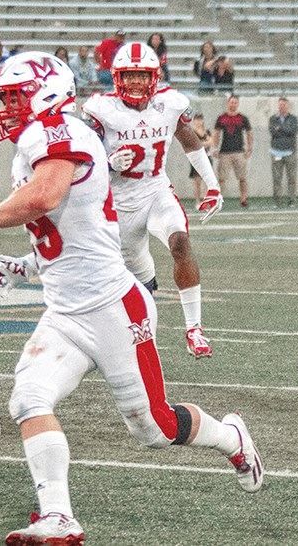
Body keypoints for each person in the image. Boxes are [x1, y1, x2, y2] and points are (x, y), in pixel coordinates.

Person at [0, 51, 262, 544]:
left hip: (113, 306)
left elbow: (43, 199)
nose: (4, 107)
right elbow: (69, 230)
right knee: (28, 397)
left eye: (13, 97)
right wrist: (23, 266)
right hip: (65, 310)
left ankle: (231, 438)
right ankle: (58, 517)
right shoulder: (37, 139)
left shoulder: (59, 133)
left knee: (153, 429)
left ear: (45, 93)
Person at [82, 42, 224, 358]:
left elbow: (190, 141)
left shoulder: (170, 104)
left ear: (153, 77)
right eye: (129, 75)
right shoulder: (101, 109)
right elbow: (81, 157)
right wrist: (106, 163)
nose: (135, 82)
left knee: (180, 244)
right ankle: (144, 322)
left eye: (141, 76)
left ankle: (194, 330)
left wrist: (212, 185)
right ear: (118, 77)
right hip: (119, 201)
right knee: (141, 278)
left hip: (156, 190)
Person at [214, 94, 253, 208]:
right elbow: (216, 133)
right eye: (232, 102)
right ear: (228, 103)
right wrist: (214, 148)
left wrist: (249, 148)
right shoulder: (221, 118)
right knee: (221, 178)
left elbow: (249, 133)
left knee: (242, 178)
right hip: (224, 152)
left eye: (235, 102)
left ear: (238, 104)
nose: (233, 104)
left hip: (239, 151)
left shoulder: (243, 118)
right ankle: (219, 199)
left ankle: (243, 199)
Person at [268, 97, 298, 207]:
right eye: (280, 105)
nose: (282, 107)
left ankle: (291, 200)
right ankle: (277, 201)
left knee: (291, 177)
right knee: (277, 178)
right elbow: (273, 132)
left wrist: (280, 128)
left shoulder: (293, 119)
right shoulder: (273, 119)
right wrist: (285, 129)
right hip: (276, 151)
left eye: (284, 105)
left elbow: (293, 131)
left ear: (287, 106)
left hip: (290, 151)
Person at [189, 112, 214, 208]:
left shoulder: (206, 131)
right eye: (197, 119)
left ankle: (207, 200)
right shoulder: (191, 132)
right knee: (197, 182)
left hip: (207, 157)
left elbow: (211, 142)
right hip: (196, 158)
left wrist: (202, 142)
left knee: (208, 181)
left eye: (200, 119)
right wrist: (204, 142)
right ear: (194, 121)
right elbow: (194, 144)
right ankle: (197, 201)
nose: (199, 121)